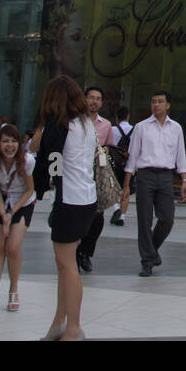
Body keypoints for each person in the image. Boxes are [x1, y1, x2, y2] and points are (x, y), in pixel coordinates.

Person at [30, 75, 95, 341]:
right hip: (86, 199)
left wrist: (43, 184)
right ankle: (59, 322)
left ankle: (74, 327)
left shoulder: (61, 127)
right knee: (63, 264)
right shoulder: (86, 124)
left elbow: (50, 163)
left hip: (69, 200)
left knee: (67, 266)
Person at [121, 89, 186, 277]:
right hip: (145, 175)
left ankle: (151, 251)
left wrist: (184, 179)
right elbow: (132, 157)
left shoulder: (176, 128)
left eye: (160, 101)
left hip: (167, 176)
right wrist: (127, 184)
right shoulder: (142, 127)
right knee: (144, 219)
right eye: (153, 101)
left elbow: (180, 155)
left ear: (168, 105)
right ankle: (147, 261)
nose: (156, 104)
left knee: (167, 219)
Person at [0, 124, 35, 317]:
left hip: (23, 202)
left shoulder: (27, 161)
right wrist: (3, 214)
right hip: (0, 201)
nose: (9, 145)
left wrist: (12, 212)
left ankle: (13, 289)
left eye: (13, 141)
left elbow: (29, 189)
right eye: (5, 141)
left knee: (12, 247)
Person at [76, 85, 113, 274]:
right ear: (84, 99)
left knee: (98, 218)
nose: (94, 101)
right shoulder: (75, 122)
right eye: (91, 97)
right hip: (76, 174)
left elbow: (110, 150)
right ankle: (75, 249)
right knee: (78, 214)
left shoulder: (106, 125)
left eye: (98, 98)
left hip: (96, 175)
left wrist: (106, 151)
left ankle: (86, 252)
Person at [109, 107, 133, 226]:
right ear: (128, 116)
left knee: (112, 187)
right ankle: (122, 217)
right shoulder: (134, 130)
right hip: (129, 164)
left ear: (116, 117)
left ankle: (116, 208)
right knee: (125, 189)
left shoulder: (112, 129)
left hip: (115, 164)